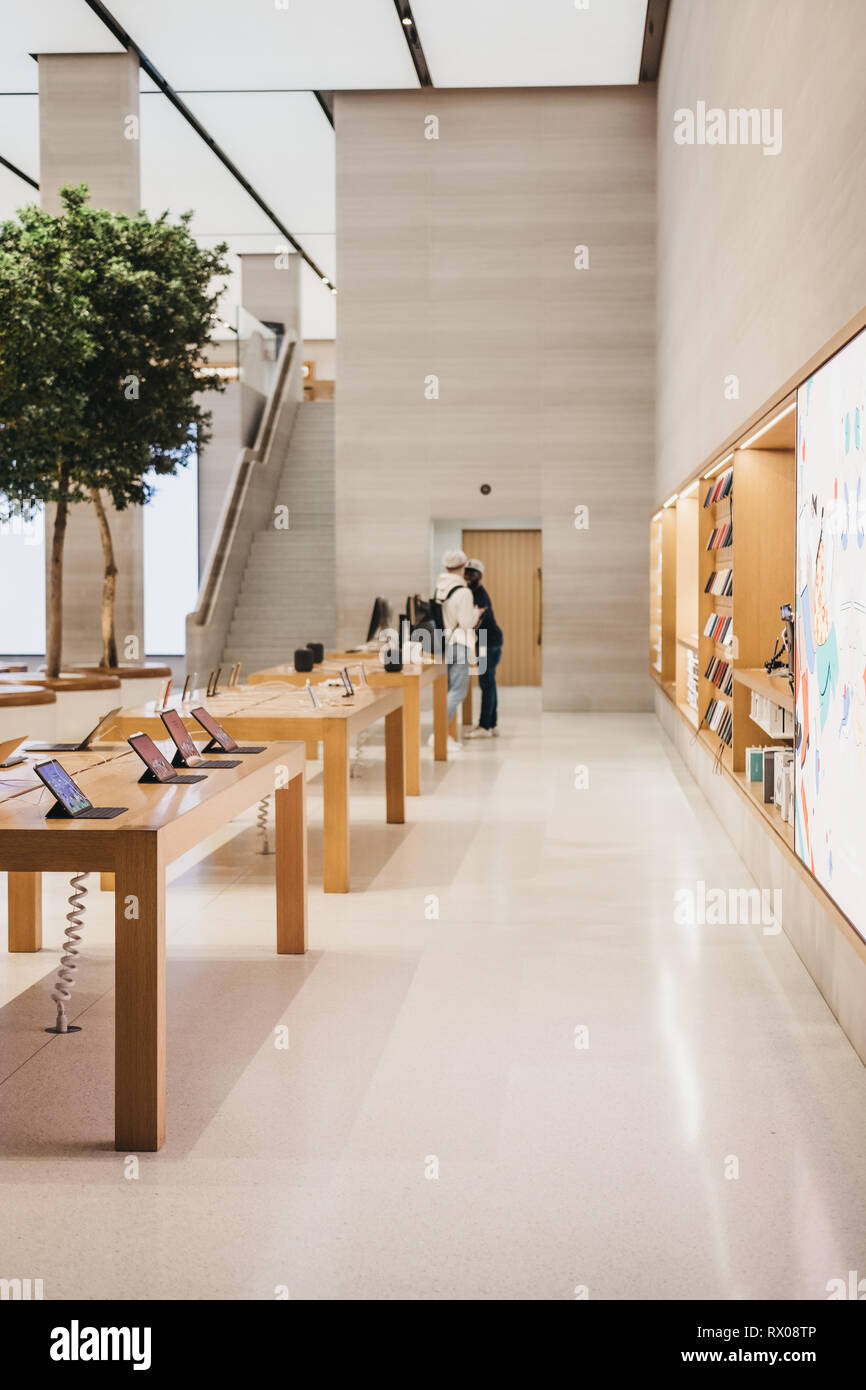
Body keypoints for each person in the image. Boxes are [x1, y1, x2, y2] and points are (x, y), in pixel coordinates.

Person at [431, 549, 479, 752]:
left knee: (448, 692)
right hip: (459, 644)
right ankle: (438, 735)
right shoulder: (463, 592)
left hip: (444, 645)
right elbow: (467, 622)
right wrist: (476, 613)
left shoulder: (439, 589)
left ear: (445, 567)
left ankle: (444, 737)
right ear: (464, 567)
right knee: (458, 692)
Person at [463, 557, 503, 738]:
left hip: (488, 641)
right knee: (489, 682)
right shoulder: (473, 594)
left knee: (486, 683)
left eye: (472, 573)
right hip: (487, 640)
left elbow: (475, 624)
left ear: (480, 575)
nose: (468, 576)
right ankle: (492, 724)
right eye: (466, 573)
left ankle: (485, 725)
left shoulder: (479, 596)